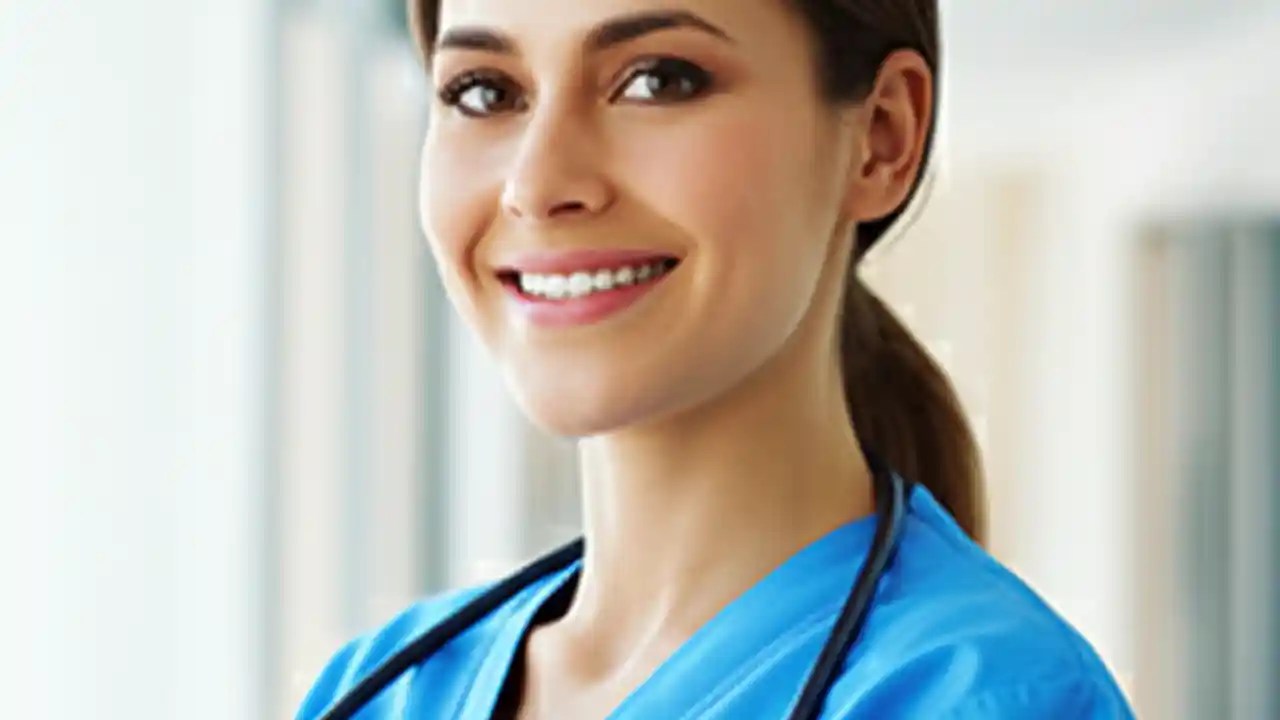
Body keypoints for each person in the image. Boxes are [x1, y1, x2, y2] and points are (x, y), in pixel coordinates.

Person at [297, 0, 1136, 717]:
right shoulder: (383, 689)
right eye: (485, 92)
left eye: (659, 80)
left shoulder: (979, 694)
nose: (538, 180)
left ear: (881, 138)